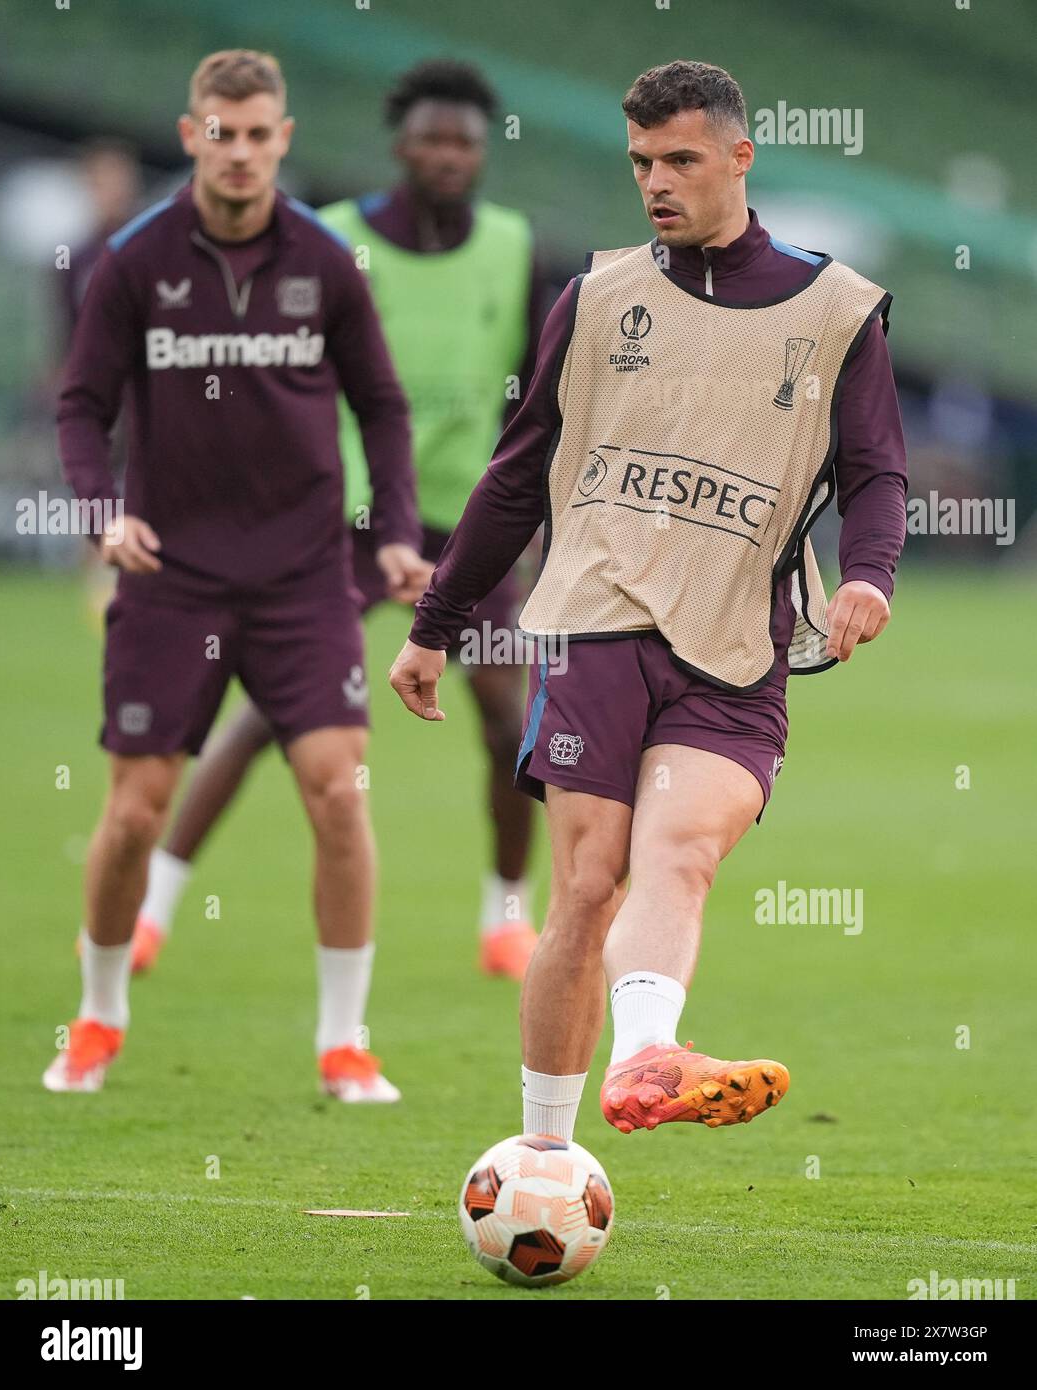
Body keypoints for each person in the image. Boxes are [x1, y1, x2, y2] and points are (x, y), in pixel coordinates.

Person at [389, 60, 907, 1142]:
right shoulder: (595, 295)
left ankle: (640, 1063)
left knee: (681, 854)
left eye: (678, 159)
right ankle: (544, 1148)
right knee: (587, 884)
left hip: (736, 639)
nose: (656, 182)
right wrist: (436, 623)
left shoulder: (836, 309)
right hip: (595, 618)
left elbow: (874, 471)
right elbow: (518, 469)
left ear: (737, 155)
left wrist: (868, 572)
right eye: (639, 163)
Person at [44, 49, 429, 1102]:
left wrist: (392, 530)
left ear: (283, 140)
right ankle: (98, 1015)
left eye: (261, 134)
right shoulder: (131, 260)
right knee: (133, 813)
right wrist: (99, 510)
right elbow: (80, 403)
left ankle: (344, 1042)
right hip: (170, 576)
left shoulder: (325, 262)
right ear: (191, 136)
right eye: (224, 132)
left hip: (303, 577)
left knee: (337, 796)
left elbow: (383, 407)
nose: (243, 152)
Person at [131, 60, 547, 982]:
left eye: (465, 143)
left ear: (484, 154)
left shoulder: (514, 245)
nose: (449, 155)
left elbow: (531, 389)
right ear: (401, 146)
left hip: (465, 522)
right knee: (269, 713)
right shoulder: (337, 239)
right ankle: (155, 902)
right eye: (433, 139)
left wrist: (532, 512)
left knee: (504, 719)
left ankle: (505, 920)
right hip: (343, 516)